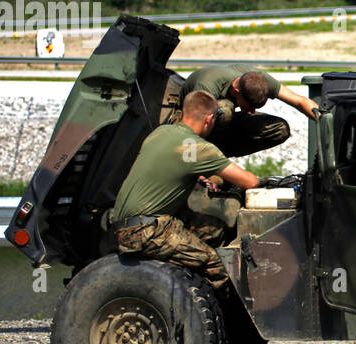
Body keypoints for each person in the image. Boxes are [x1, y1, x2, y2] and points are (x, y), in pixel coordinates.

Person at [109, 89, 259, 291]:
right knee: (219, 266)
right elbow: (250, 182)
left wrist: (199, 175)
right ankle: (223, 316)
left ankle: (192, 282)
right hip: (147, 230)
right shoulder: (197, 147)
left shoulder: (160, 133)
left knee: (214, 230)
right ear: (209, 119)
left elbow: (171, 164)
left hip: (125, 224)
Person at [182, 64, 319, 157]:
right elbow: (191, 128)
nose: (252, 111)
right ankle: (209, 161)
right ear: (236, 92)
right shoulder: (207, 86)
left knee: (279, 129)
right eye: (251, 106)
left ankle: (219, 158)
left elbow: (299, 101)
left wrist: (325, 118)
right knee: (225, 110)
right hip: (187, 124)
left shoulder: (259, 81)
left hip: (217, 127)